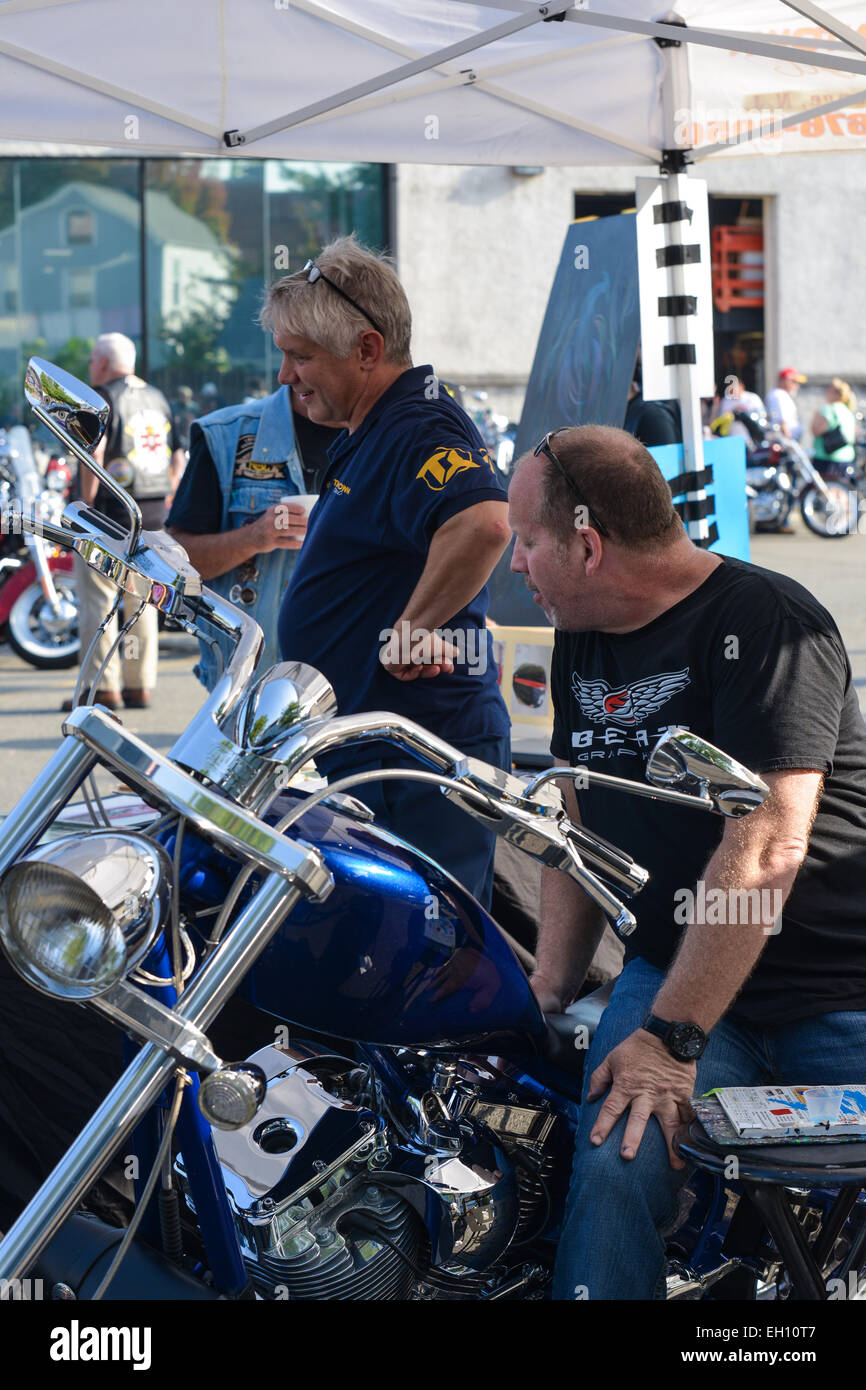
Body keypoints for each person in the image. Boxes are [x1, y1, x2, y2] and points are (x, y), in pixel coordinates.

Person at [507, 424, 866, 1300]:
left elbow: (769, 844)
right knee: (616, 1166)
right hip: (678, 975)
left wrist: (669, 1041)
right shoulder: (581, 633)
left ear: (587, 545)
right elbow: (573, 818)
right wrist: (543, 993)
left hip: (838, 991)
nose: (514, 563)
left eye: (527, 540)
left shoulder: (769, 623)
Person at [260, 235, 512, 908]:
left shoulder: (416, 424)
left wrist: (414, 626)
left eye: (301, 355)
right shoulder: (374, 426)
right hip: (382, 750)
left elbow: (485, 522)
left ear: (367, 349)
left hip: (416, 755)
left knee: (430, 961)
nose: (286, 375)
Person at [166, 385, 336, 690]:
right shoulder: (225, 435)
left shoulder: (386, 436)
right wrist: (255, 537)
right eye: (290, 354)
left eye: (304, 356)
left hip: (345, 685)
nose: (287, 373)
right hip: (246, 690)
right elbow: (177, 562)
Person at [64, 332, 183, 711]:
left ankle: (103, 688)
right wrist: (168, 494)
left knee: (99, 600)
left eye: (91, 362)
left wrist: (85, 504)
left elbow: (92, 452)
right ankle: (139, 685)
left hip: (109, 516)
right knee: (141, 598)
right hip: (151, 514)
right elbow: (177, 454)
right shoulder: (158, 396)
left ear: (101, 362)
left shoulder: (99, 399)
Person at [812, 378, 857, 473]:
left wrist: (816, 416)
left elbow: (816, 430)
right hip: (846, 458)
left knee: (828, 487)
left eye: (829, 389)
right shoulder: (847, 410)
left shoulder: (829, 409)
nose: (826, 391)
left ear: (836, 394)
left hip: (828, 459)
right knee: (842, 487)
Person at [765, 367, 806, 441]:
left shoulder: (781, 394)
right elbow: (780, 419)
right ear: (784, 381)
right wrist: (787, 438)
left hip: (787, 438)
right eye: (794, 382)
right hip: (784, 439)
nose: (797, 385)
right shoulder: (778, 394)